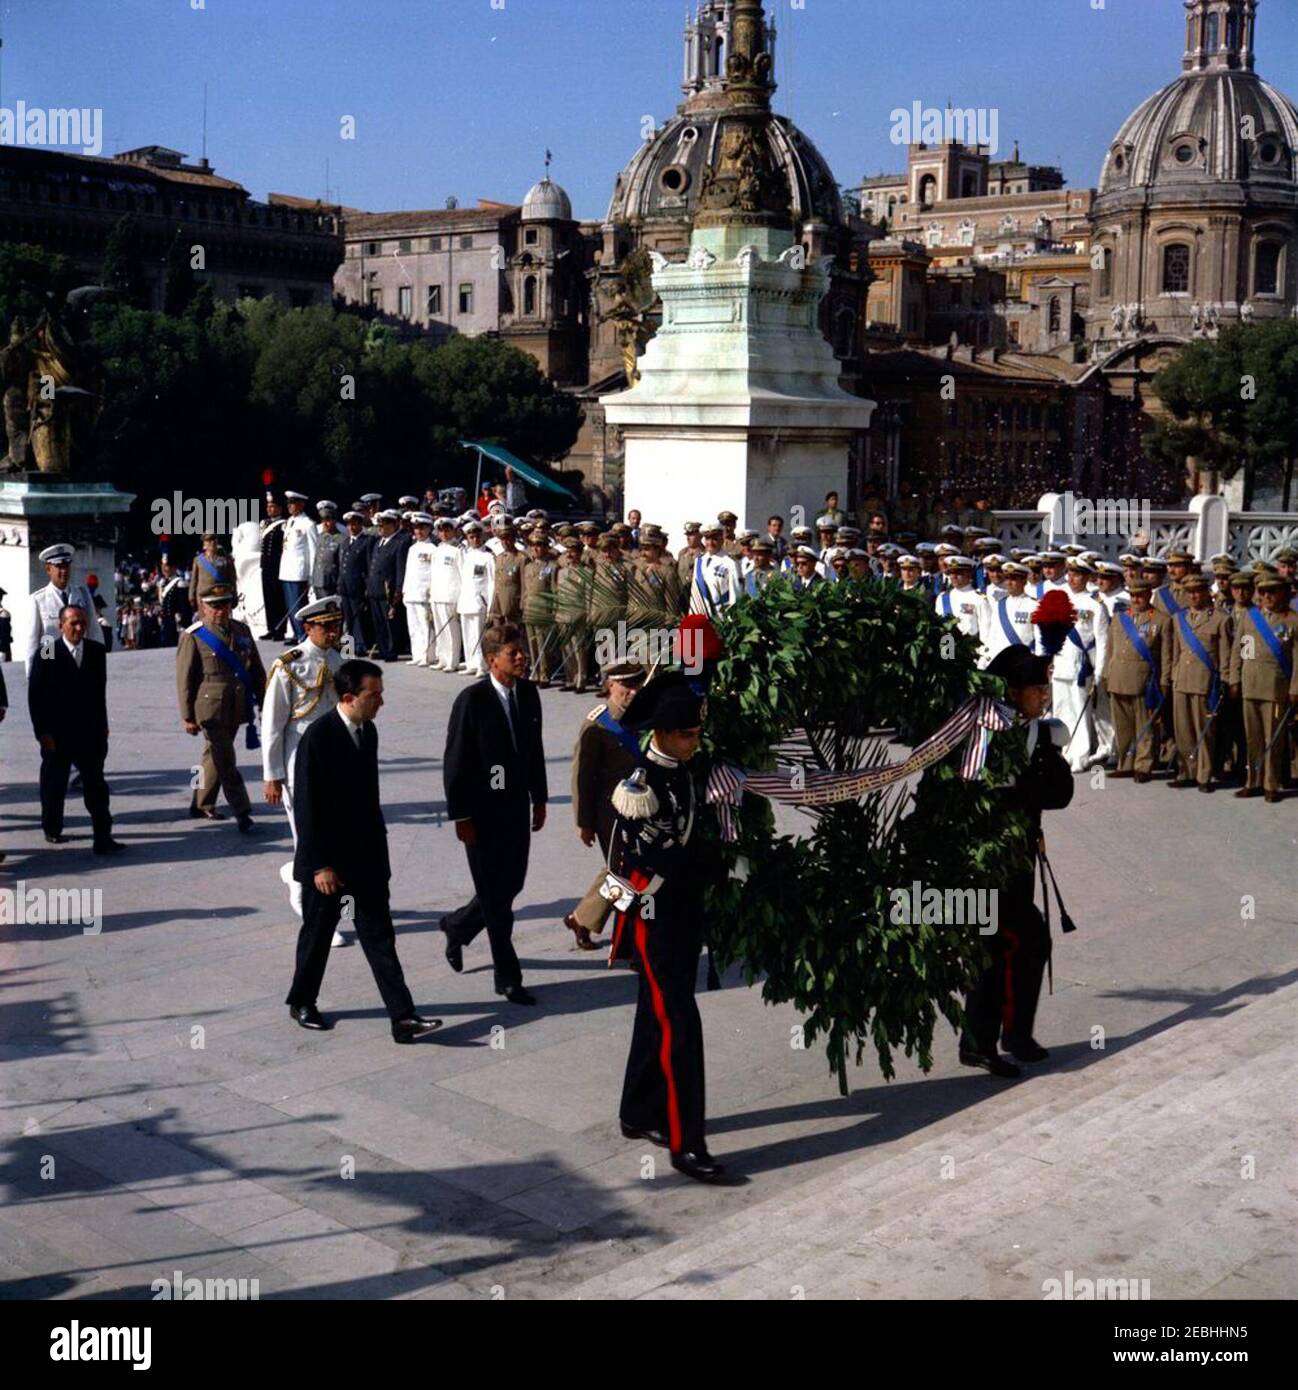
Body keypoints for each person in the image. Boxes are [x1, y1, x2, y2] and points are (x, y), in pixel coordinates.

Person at [606, 672, 737, 1183]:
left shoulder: (687, 768)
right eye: (686, 734)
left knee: (653, 1014)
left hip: (682, 916)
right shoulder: (640, 786)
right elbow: (654, 864)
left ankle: (638, 1111)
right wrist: (719, 867)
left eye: (698, 733)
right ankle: (688, 1143)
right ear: (660, 732)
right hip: (654, 920)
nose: (694, 741)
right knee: (679, 1026)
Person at [285, 659, 442, 1042]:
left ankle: (403, 1018)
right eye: (375, 695)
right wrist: (320, 865)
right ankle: (302, 1000)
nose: (381, 703)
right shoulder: (318, 738)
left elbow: (368, 800)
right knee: (318, 935)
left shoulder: (367, 732)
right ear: (351, 697)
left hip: (366, 862)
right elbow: (307, 807)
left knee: (379, 937)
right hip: (330, 868)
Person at [959, 645, 1073, 1078]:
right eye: (1036, 688)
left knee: (1027, 941)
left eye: (1045, 687)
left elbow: (1056, 795)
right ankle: (980, 1042)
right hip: (982, 860)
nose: (1044, 695)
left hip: (1021, 855)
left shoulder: (1038, 733)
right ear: (1010, 691)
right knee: (993, 944)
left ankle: (1015, 1034)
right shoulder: (983, 734)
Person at [441, 622, 548, 1005]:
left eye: (521, 651)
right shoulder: (471, 700)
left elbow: (534, 751)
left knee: (510, 885)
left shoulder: (530, 694)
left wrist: (540, 798)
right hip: (481, 815)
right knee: (496, 899)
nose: (521, 657)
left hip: (516, 808)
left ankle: (457, 924)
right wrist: (461, 816)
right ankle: (508, 976)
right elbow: (454, 762)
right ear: (491, 660)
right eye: (512, 653)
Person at [263, 597, 348, 946]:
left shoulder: (337, 659)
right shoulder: (289, 666)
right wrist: (272, 774)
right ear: (308, 628)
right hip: (299, 762)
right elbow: (272, 724)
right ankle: (311, 910)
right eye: (326, 626)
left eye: (336, 625)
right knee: (309, 837)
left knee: (332, 834)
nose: (334, 632)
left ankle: (295, 875)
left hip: (333, 761)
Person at [26, 604, 124, 853]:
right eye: (73, 624)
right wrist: (43, 733)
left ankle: (103, 837)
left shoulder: (96, 651)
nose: (79, 628)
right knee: (54, 785)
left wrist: (103, 727)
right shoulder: (48, 650)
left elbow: (99, 693)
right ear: (61, 626)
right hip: (57, 734)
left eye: (82, 622)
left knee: (97, 787)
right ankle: (52, 827)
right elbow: (36, 695)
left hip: (89, 732)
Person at [565, 660, 646, 951]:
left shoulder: (643, 716)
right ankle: (595, 924)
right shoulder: (597, 724)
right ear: (610, 685)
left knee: (627, 872)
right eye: (626, 686)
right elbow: (582, 778)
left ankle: (587, 921)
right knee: (622, 873)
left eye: (637, 684)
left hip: (641, 808)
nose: (633, 691)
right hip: (609, 815)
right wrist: (583, 823)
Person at [176, 584, 266, 831]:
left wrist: (266, 703)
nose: (220, 610)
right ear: (203, 606)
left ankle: (200, 802)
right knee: (225, 758)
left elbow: (257, 671)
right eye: (214, 605)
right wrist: (187, 716)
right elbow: (184, 679)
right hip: (209, 709)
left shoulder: (242, 630)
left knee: (212, 757)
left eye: (225, 604)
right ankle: (242, 810)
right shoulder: (194, 635)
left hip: (237, 705)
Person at [1228, 574, 1298, 802]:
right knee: (1252, 738)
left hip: (1276, 686)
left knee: (1273, 739)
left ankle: (1271, 784)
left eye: (1272, 592)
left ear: (1283, 593)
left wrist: (1295, 688)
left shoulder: (1292, 620)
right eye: (1263, 592)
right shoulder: (1250, 617)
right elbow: (1240, 650)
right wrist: (1234, 679)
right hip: (1251, 684)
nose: (1267, 596)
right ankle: (1253, 781)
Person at [1167, 574, 1231, 792]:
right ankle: (1186, 771)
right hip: (1182, 680)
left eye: (1197, 592)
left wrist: (1225, 679)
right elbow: (1175, 650)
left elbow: (1225, 653)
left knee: (1205, 730)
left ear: (1206, 593)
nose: (1193, 596)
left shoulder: (1220, 618)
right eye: (1189, 592)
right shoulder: (1178, 618)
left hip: (1205, 681)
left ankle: (1204, 774)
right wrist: (1172, 676)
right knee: (1183, 730)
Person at [1103, 580, 1169, 782]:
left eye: (1140, 595)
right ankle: (1126, 763)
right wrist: (1107, 674)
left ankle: (1144, 765)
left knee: (1145, 725)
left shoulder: (1161, 619)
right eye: (1132, 595)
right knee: (1123, 727)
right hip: (1118, 677)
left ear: (1149, 594)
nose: (1136, 599)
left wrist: (1164, 681)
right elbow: (1110, 649)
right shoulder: (1119, 618)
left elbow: (1166, 655)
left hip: (1144, 681)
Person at [25, 543, 104, 669]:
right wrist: (32, 677)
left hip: (80, 663)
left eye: (66, 565)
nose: (64, 571)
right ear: (48, 569)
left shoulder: (82, 594)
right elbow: (33, 641)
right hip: (52, 666)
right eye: (59, 566)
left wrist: (98, 664)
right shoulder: (38, 600)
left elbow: (94, 631)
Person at [365, 510, 405, 661]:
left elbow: (400, 569)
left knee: (389, 623)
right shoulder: (378, 542)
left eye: (385, 524)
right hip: (375, 588)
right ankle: (382, 648)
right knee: (378, 622)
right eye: (380, 524)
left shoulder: (398, 543)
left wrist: (399, 589)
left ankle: (390, 650)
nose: (380, 527)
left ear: (394, 525)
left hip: (388, 589)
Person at [279, 491, 318, 643]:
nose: (290, 506)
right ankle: (296, 633)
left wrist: (311, 574)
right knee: (290, 605)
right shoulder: (289, 522)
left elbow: (313, 550)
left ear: (301, 504)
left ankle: (303, 635)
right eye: (288, 503)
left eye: (293, 503)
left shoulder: (308, 524)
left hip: (299, 571)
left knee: (299, 606)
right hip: (287, 570)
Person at [456, 521, 495, 676]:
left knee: (479, 635)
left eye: (477, 536)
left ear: (482, 537)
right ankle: (471, 663)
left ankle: (482, 665)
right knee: (468, 635)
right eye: (471, 537)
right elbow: (462, 581)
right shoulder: (466, 556)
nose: (475, 540)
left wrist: (490, 607)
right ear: (467, 538)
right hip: (466, 601)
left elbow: (492, 583)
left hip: (480, 602)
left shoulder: (488, 557)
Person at [400, 513, 438, 667]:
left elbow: (433, 572)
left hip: (424, 593)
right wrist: (405, 591)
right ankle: (417, 654)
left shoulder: (432, 548)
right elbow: (409, 572)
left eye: (422, 528)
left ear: (429, 529)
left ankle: (427, 655)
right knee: (413, 626)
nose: (418, 531)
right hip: (412, 592)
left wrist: (431, 592)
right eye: (416, 528)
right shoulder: (412, 548)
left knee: (425, 626)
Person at [337, 510, 372, 654]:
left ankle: (361, 646)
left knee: (358, 618)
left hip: (357, 585)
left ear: (360, 525)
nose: (352, 527)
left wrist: (366, 586)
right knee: (348, 617)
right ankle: (348, 646)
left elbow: (369, 565)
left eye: (355, 524)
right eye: (349, 524)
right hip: (344, 585)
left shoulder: (366, 541)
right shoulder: (345, 541)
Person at [259, 492, 288, 639]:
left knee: (278, 598)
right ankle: (271, 628)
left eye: (272, 506)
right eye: (268, 506)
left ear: (279, 508)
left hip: (278, 565)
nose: (269, 509)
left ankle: (280, 629)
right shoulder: (264, 523)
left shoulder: (284, 524)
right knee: (268, 597)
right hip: (266, 566)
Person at [188, 532, 237, 609]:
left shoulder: (226, 559)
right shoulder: (198, 560)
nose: (212, 542)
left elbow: (232, 579)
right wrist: (191, 597)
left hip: (222, 598)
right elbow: (194, 580)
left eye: (214, 539)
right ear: (204, 544)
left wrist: (234, 595)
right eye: (209, 540)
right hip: (204, 599)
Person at [311, 500, 342, 601]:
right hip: (318, 581)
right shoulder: (320, 537)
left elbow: (341, 564)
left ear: (334, 520)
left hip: (331, 582)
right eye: (322, 519)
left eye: (328, 519)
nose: (325, 523)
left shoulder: (342, 539)